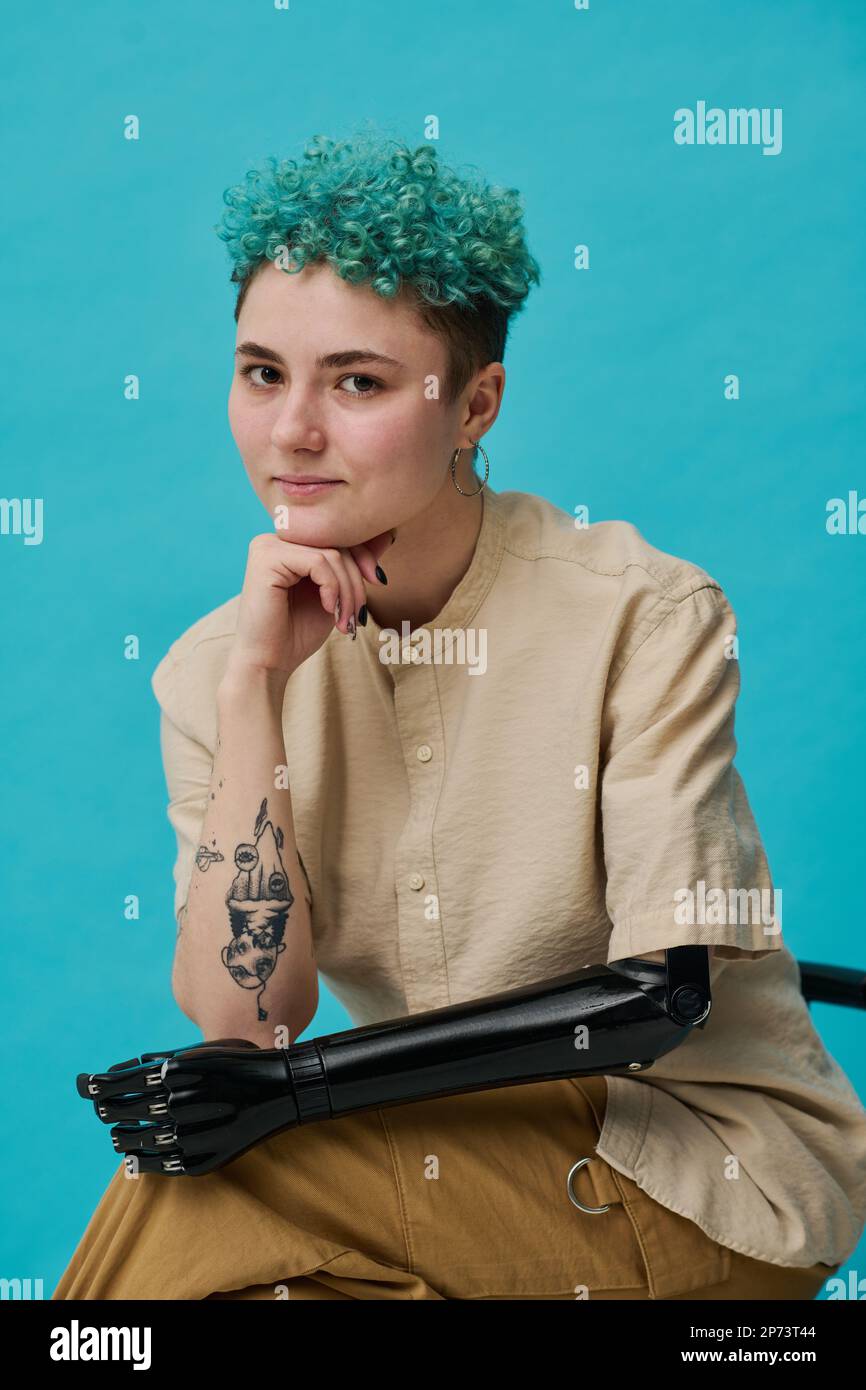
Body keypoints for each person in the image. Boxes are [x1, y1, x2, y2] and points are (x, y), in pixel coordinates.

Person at [53, 129, 866, 1301]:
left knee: (198, 1184)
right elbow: (248, 1020)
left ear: (473, 401)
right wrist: (251, 699)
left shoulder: (638, 614)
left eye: (359, 381)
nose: (292, 431)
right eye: (262, 372)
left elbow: (657, 998)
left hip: (699, 1170)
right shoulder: (210, 669)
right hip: (444, 1172)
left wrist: (297, 1093)